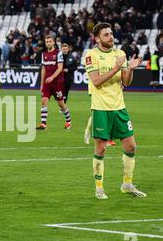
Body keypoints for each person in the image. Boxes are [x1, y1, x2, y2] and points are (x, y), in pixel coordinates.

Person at [85, 22, 146, 199]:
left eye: (111, 33)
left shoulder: (120, 54)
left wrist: (130, 69)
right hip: (101, 108)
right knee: (101, 148)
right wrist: (116, 68)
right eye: (106, 34)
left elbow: (126, 82)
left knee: (131, 145)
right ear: (97, 39)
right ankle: (99, 188)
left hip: (119, 107)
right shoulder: (91, 55)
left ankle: (127, 184)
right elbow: (96, 81)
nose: (111, 37)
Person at [36, 35, 72, 130]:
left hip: (57, 83)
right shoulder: (44, 54)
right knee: (44, 101)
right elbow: (43, 69)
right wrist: (41, 84)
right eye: (46, 42)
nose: (48, 43)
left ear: (54, 42)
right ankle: (43, 124)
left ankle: (68, 120)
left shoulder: (58, 53)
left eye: (50, 41)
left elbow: (60, 68)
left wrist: (52, 77)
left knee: (61, 104)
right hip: (47, 83)